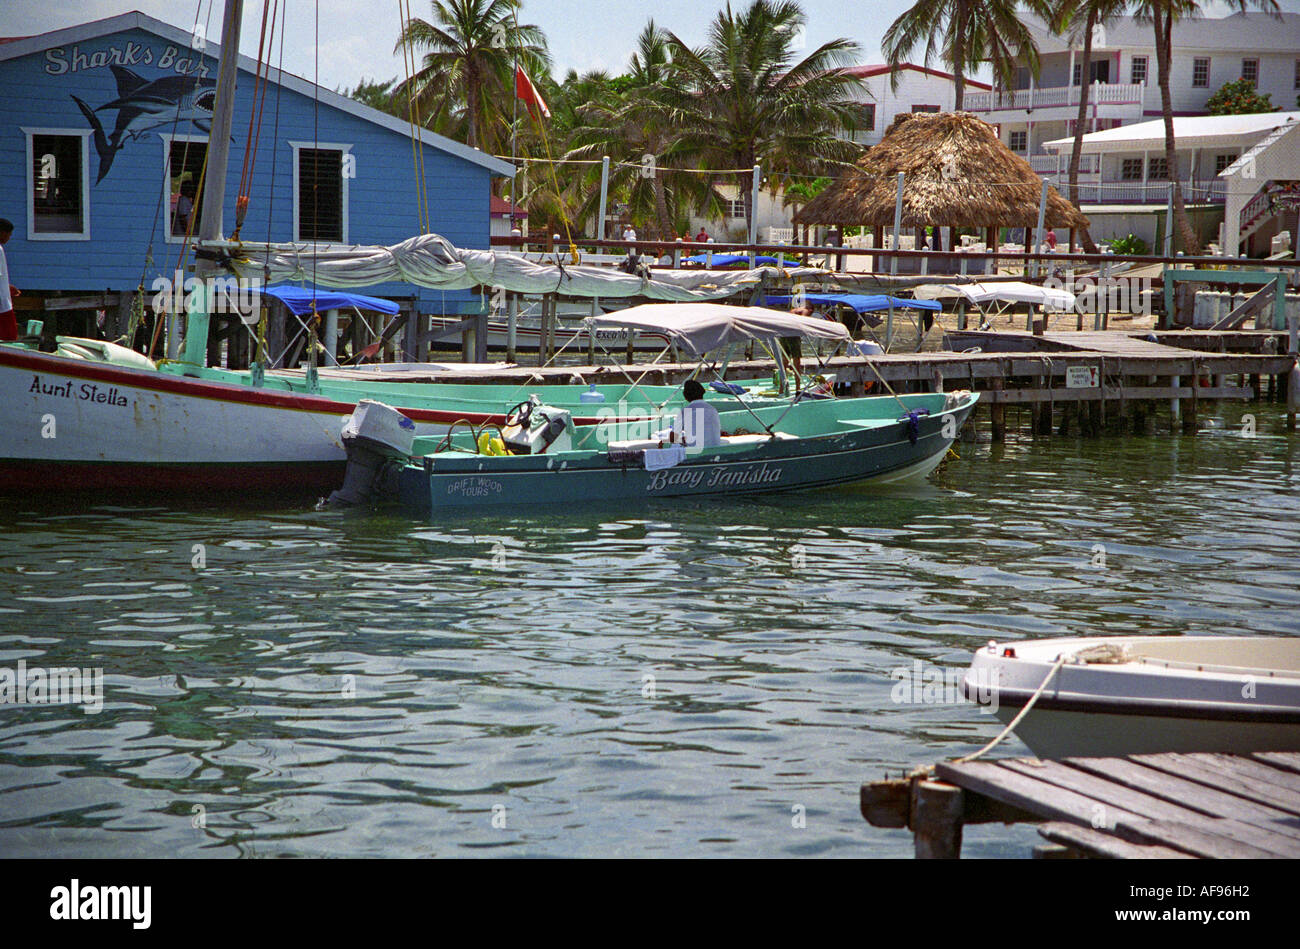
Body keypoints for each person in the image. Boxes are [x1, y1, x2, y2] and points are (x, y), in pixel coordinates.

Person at [670, 379, 722, 449]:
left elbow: (673, 438)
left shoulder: (685, 411)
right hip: (716, 449)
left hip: (697, 452)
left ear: (685, 396)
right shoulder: (713, 410)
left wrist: (683, 439)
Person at [0, 218, 18, 342]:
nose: (9, 238)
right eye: (9, 234)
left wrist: (7, 286)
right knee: (8, 336)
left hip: (3, 297)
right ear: (2, 233)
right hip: (2, 303)